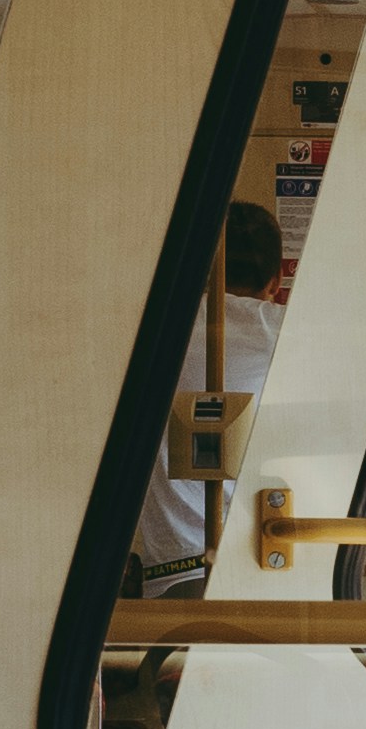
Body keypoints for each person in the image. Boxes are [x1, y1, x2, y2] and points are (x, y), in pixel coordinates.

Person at [134, 201, 284, 588]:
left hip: (169, 577)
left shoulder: (150, 327)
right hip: (265, 564)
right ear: (276, 281)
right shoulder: (282, 330)